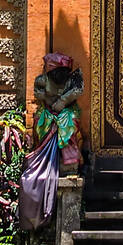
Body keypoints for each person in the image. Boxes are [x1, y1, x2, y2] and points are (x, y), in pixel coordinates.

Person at [18, 54, 84, 231]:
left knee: (68, 123)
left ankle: (69, 162)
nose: (60, 76)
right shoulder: (42, 80)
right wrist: (51, 103)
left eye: (63, 71)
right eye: (57, 72)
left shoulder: (73, 79)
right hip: (48, 110)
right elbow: (39, 96)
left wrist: (63, 101)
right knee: (42, 120)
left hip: (67, 110)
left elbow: (77, 91)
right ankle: (45, 156)